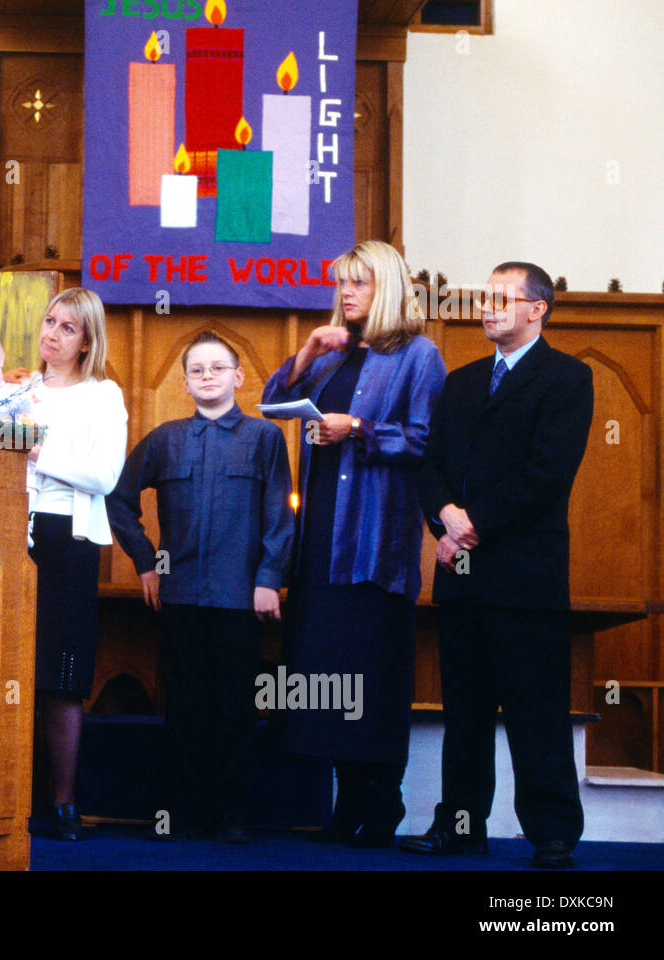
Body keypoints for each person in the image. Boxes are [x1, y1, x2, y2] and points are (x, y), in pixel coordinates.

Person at [401, 262, 593, 869]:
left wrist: (467, 524)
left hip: (525, 578)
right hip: (461, 577)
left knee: (537, 711)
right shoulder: (460, 382)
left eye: (500, 298)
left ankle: (552, 834)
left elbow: (546, 474)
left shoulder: (568, 378)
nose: (484, 307)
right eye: (482, 297)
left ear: (537, 308)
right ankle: (460, 826)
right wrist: (445, 520)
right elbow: (429, 467)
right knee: (466, 714)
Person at [261, 239, 446, 847]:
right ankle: (346, 805)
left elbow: (424, 443)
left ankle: (383, 804)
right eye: (341, 283)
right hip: (322, 537)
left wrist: (357, 428)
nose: (346, 293)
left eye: (359, 283)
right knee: (328, 674)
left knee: (373, 673)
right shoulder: (334, 354)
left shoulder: (420, 355)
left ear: (387, 287)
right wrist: (310, 347)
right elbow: (271, 405)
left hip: (374, 539)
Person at [106, 331, 292, 842]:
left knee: (234, 708)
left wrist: (269, 580)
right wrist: (147, 563)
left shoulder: (264, 439)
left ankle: (229, 814)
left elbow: (280, 515)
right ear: (185, 382)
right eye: (197, 370)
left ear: (238, 377)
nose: (207, 376)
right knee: (184, 706)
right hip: (180, 594)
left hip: (240, 598)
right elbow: (119, 500)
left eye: (218, 368)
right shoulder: (165, 439)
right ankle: (178, 813)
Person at [24, 287, 128, 841]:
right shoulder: (17, 389)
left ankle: (62, 803)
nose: (52, 333)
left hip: (69, 539)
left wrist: (40, 453)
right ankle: (6, 793)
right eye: (49, 321)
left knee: (62, 673)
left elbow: (105, 477)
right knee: (7, 669)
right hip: (9, 531)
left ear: (87, 341)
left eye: (67, 327)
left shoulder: (103, 396)